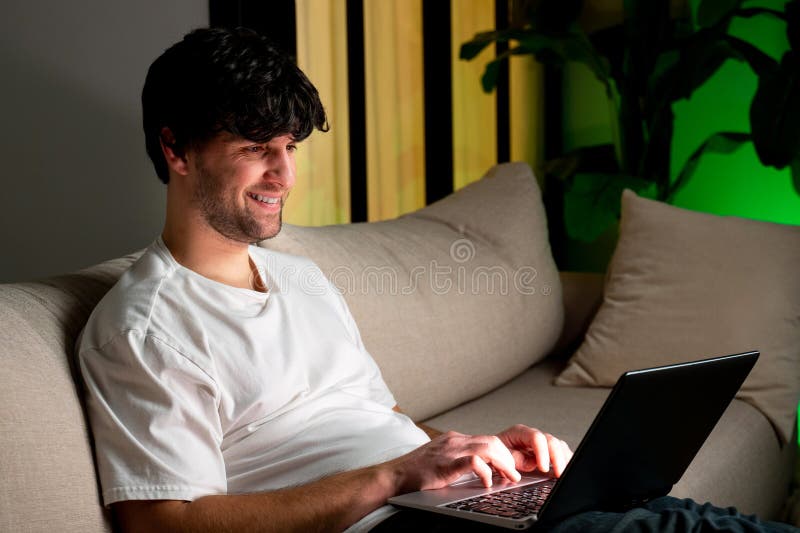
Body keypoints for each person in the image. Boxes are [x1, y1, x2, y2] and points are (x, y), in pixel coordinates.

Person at [77, 27, 797, 533]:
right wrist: (395, 477)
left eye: (290, 148)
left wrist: (471, 448)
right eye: (255, 150)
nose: (284, 175)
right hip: (389, 524)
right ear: (175, 148)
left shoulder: (301, 280)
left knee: (689, 518)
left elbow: (380, 424)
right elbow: (165, 521)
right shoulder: (145, 325)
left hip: (448, 505)